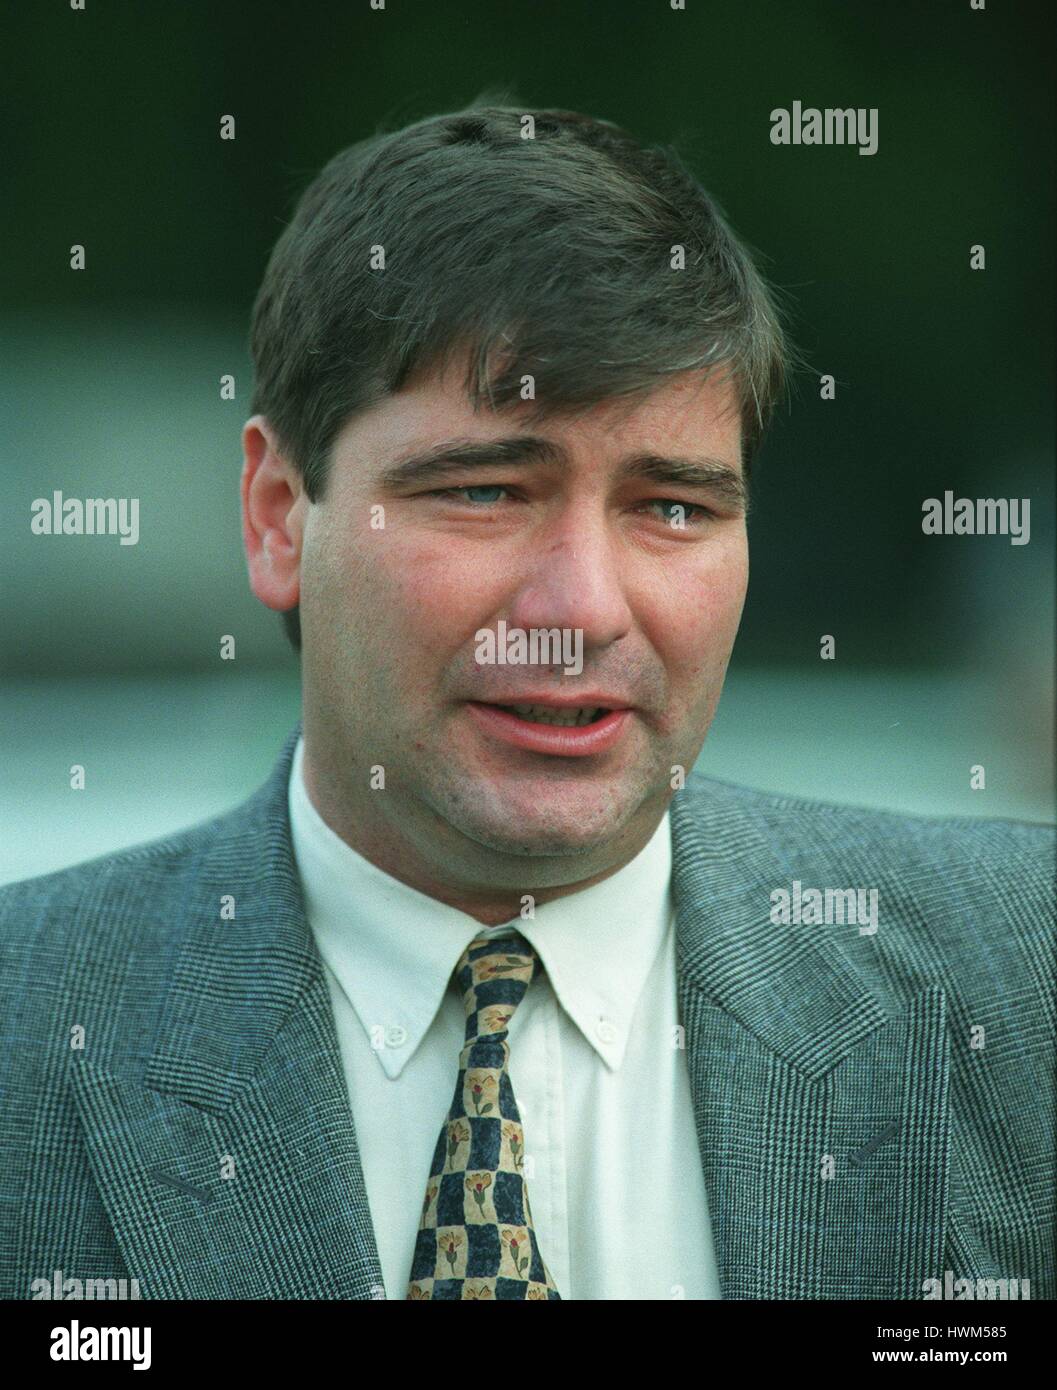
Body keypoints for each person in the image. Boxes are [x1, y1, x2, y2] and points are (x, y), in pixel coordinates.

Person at [1, 102, 1052, 1302]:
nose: (584, 607)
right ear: (279, 515)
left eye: (672, 508)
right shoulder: (27, 1031)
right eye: (490, 491)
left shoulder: (1025, 992)